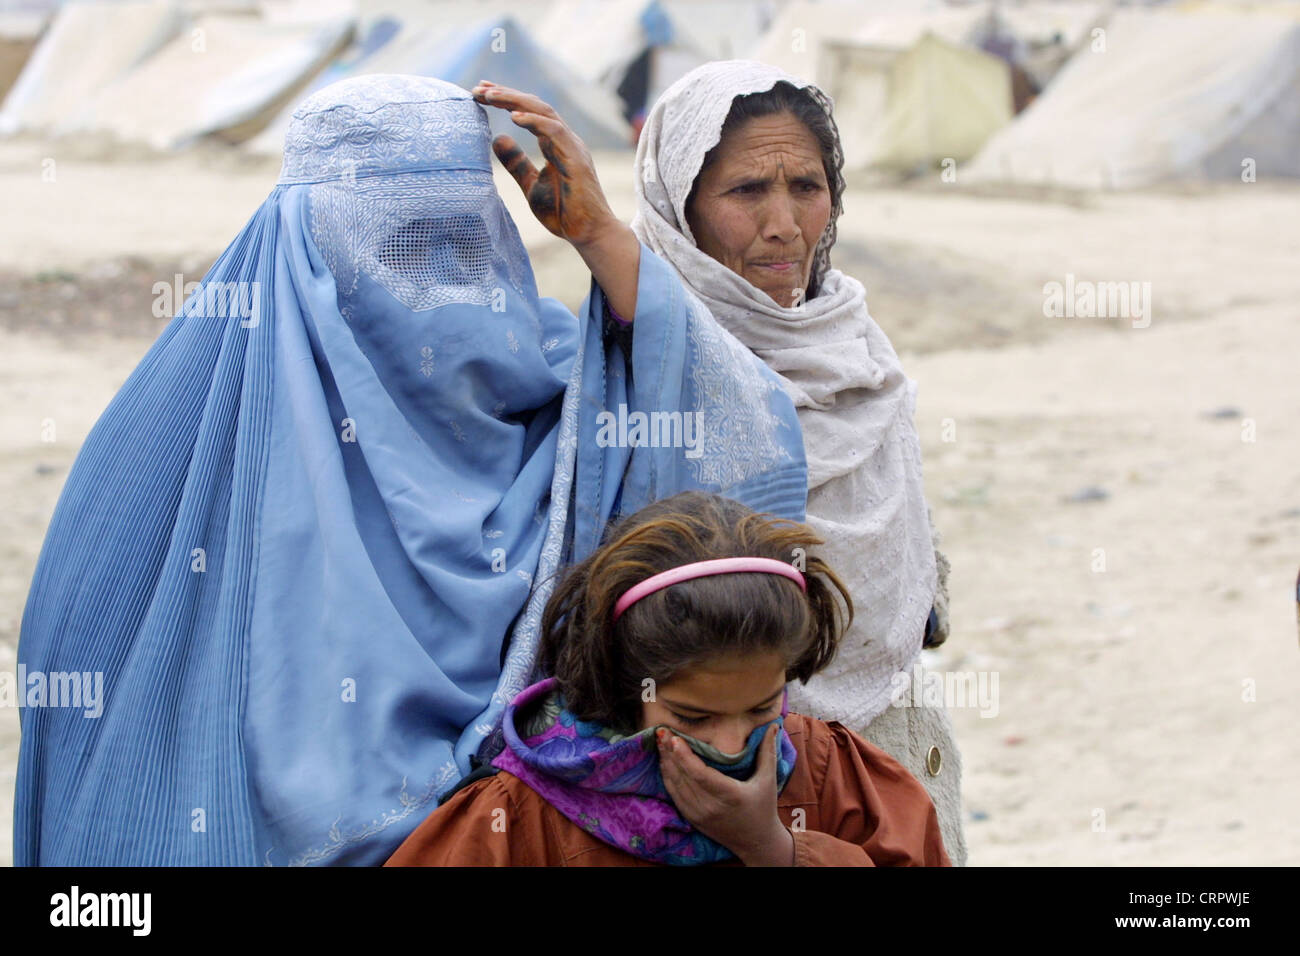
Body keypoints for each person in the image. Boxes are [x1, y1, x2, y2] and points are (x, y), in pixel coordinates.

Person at [12, 74, 808, 866]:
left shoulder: (552, 395)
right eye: (398, 249)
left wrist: (598, 236)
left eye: (465, 246)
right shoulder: (170, 445)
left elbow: (740, 437)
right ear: (303, 248)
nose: (439, 288)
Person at [628, 60, 967, 864]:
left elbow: (919, 576)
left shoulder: (851, 339)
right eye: (747, 192)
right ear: (680, 210)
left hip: (902, 751)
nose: (784, 224)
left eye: (806, 187)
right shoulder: (645, 371)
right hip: (739, 782)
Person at [386, 491, 951, 866]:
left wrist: (773, 849)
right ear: (623, 690)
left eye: (761, 708)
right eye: (692, 717)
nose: (734, 746)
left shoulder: (824, 775)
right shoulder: (518, 820)